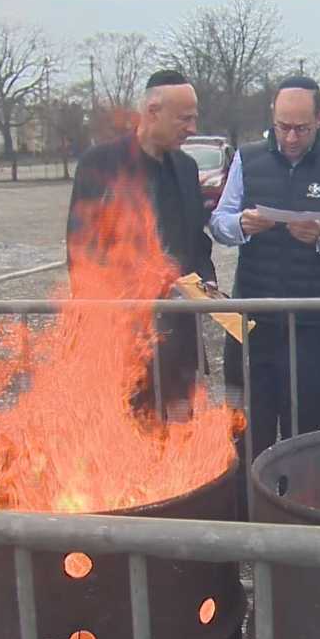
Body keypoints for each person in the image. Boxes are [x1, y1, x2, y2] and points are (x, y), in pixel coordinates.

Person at [209, 75, 320, 512]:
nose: (291, 137)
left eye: (301, 127)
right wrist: (241, 225)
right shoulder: (248, 158)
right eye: (283, 126)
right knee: (249, 427)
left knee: (304, 429)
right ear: (273, 120)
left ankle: (298, 514)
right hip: (254, 317)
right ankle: (249, 517)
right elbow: (220, 220)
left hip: (314, 319)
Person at [66, 69, 217, 419]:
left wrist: (206, 283)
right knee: (126, 439)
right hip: (122, 336)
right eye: (185, 118)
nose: (193, 127)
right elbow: (82, 252)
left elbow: (195, 241)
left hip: (179, 336)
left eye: (194, 117)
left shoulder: (186, 167)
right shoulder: (101, 164)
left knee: (181, 436)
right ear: (152, 111)